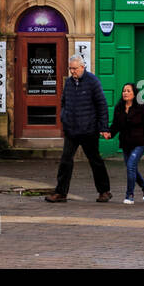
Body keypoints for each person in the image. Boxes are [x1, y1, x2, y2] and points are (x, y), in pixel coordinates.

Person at [45, 55, 111, 203]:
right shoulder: (68, 83)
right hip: (71, 130)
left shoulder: (93, 81)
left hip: (89, 130)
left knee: (95, 160)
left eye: (74, 68)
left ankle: (104, 191)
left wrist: (104, 127)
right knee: (65, 161)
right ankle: (61, 192)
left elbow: (102, 105)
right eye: (70, 68)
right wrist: (64, 118)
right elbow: (63, 103)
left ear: (82, 67)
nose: (72, 71)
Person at [108, 82, 144, 204]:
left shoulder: (142, 107)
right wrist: (109, 134)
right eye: (124, 91)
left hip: (139, 143)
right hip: (125, 143)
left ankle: (129, 195)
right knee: (132, 168)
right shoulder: (119, 107)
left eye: (128, 91)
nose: (125, 93)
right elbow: (116, 125)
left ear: (134, 94)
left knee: (130, 166)